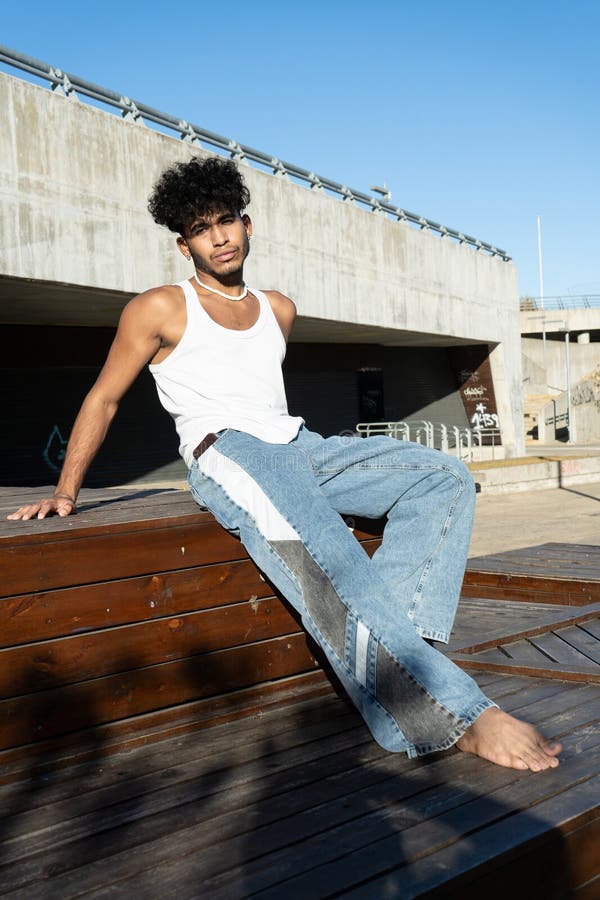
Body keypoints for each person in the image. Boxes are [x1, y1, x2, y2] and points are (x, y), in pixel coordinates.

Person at [9, 156, 561, 771]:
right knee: (331, 552)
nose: (218, 237)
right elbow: (104, 397)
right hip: (230, 453)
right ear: (182, 243)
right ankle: (457, 715)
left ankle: (404, 663)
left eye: (226, 221)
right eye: (200, 228)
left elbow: (268, 399)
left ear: (247, 225)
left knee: (443, 477)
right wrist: (67, 489)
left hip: (301, 443)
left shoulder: (279, 308)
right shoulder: (161, 308)